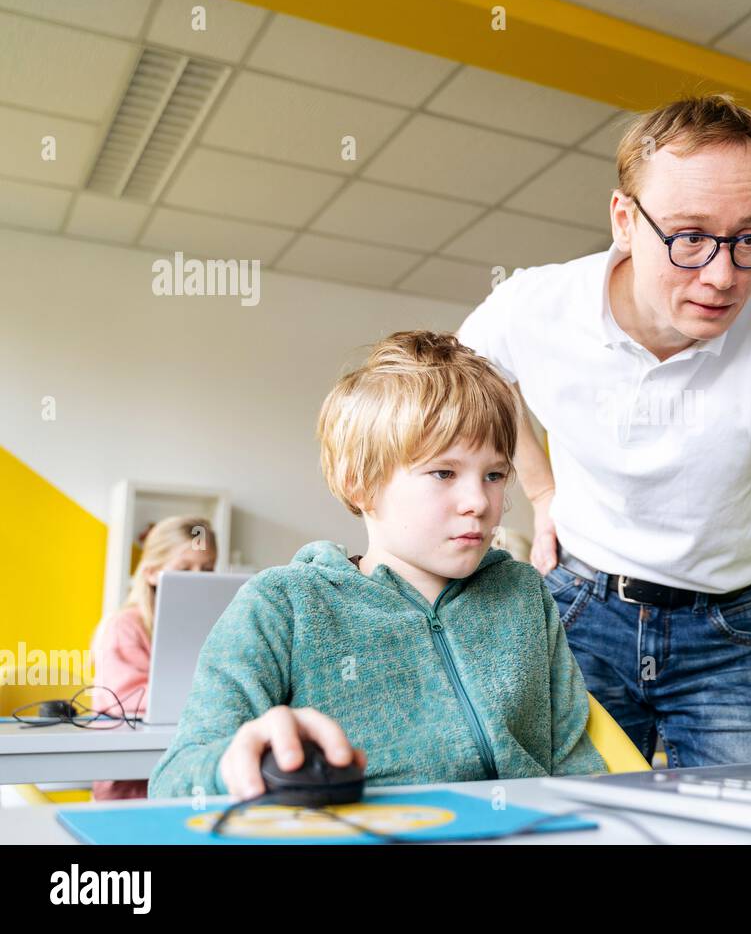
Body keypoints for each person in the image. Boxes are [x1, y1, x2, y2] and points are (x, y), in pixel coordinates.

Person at [458, 93, 751, 768]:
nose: (722, 275)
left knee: (750, 827)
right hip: (581, 603)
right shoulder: (540, 303)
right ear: (625, 219)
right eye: (690, 237)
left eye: (748, 238)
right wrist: (541, 490)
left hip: (730, 626)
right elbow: (472, 384)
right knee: (566, 817)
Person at [148, 331, 605, 801]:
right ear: (360, 485)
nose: (479, 502)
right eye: (443, 473)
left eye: (494, 475)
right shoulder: (283, 605)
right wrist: (233, 762)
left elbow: (575, 762)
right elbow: (174, 780)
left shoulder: (523, 593)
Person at [89, 514, 217, 800]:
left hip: (185, 770)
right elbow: (127, 697)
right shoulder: (126, 626)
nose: (197, 580)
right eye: (184, 569)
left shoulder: (206, 627)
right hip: (130, 788)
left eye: (207, 570)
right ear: (150, 573)